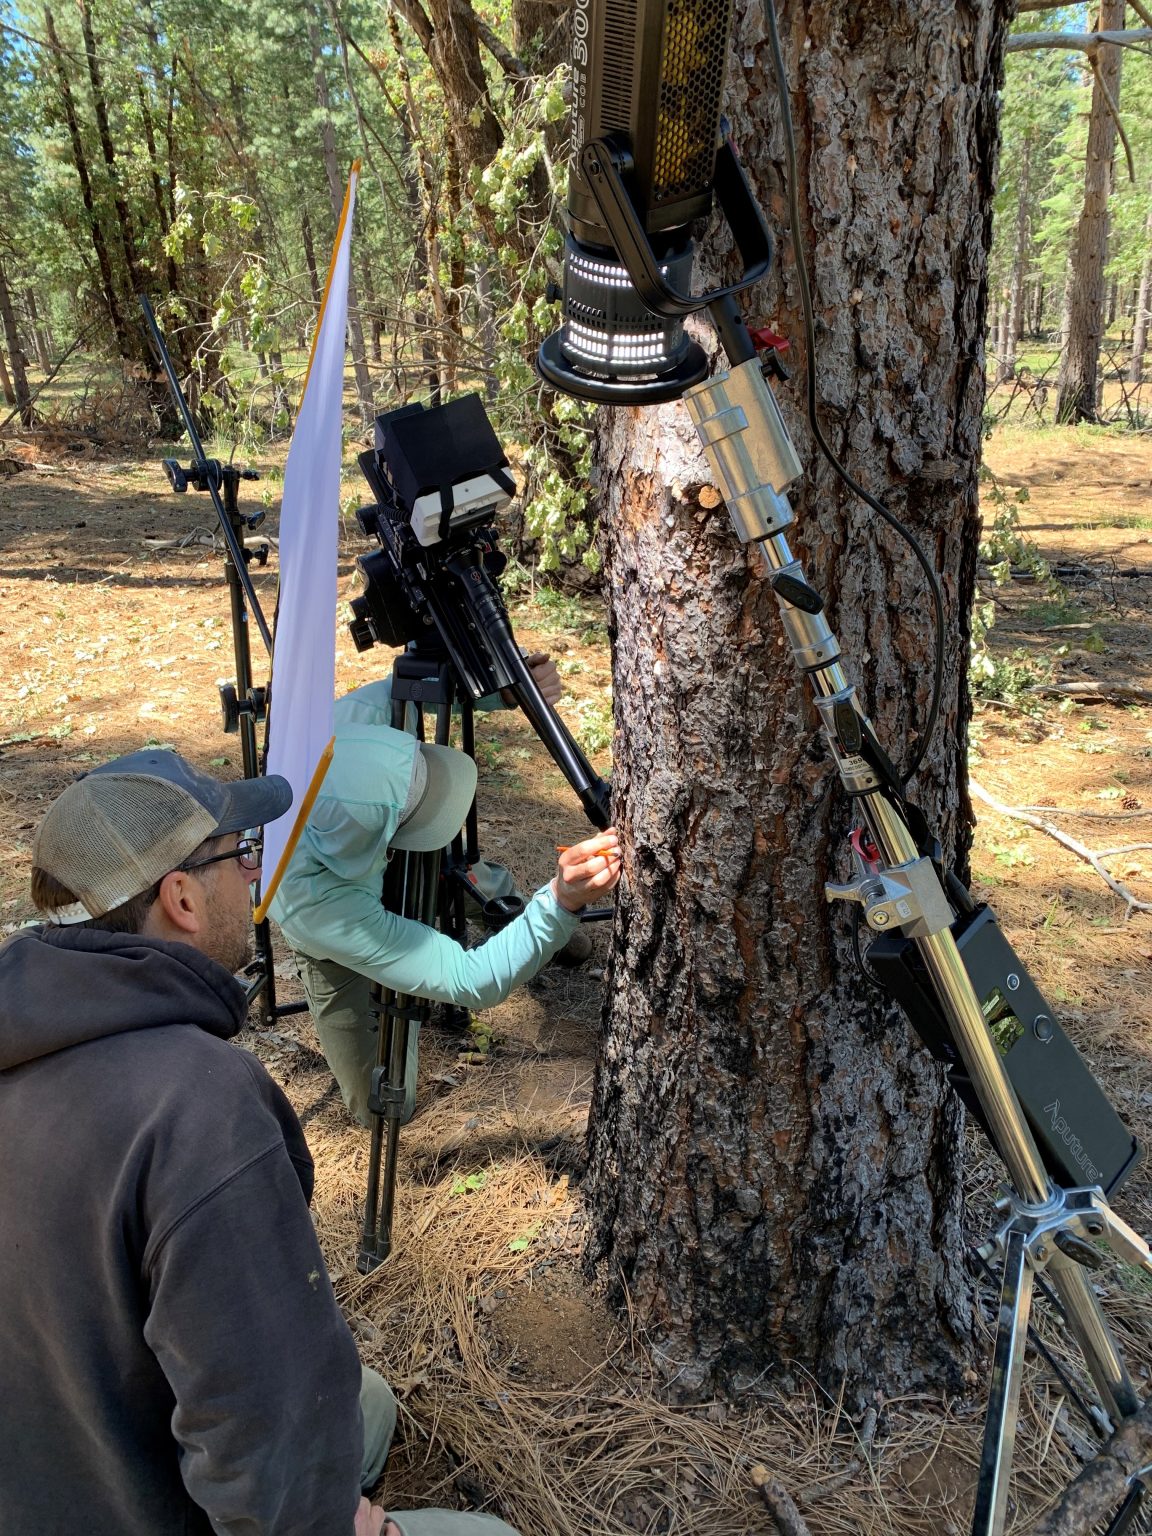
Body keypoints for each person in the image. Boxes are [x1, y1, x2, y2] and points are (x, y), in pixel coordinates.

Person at [0, 749, 523, 1536]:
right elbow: (261, 1432)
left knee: (362, 1405)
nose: (254, 875)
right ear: (179, 896)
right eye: (239, 854)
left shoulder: (26, 1033)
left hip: (51, 1465)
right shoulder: (197, 1108)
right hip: (143, 1506)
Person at [270, 670, 622, 1128]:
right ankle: (420, 950)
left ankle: (484, 898)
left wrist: (501, 690)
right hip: (340, 938)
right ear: (378, 843)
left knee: (442, 862)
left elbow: (413, 684)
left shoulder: (340, 729)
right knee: (386, 1111)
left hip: (375, 865)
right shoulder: (317, 906)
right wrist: (559, 900)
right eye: (416, 822)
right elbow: (471, 979)